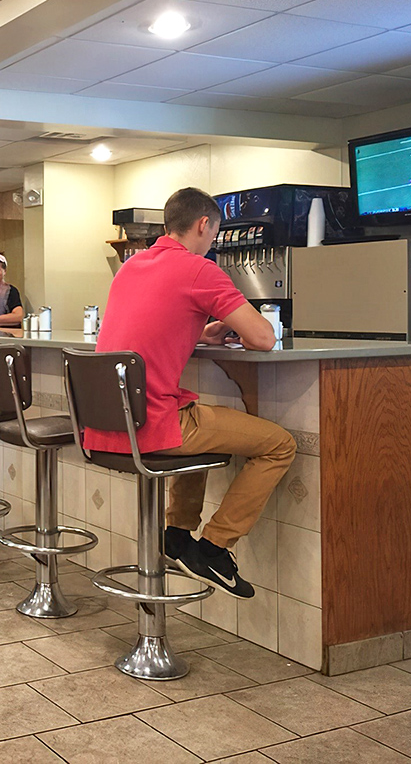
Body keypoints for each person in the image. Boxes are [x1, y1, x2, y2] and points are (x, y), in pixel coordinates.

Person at [85, 187, 297, 598]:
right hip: (151, 427)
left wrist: (205, 331)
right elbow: (263, 338)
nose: (213, 242)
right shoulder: (200, 270)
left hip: (105, 426)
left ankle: (178, 535)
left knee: (194, 409)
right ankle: (215, 547)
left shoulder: (132, 266)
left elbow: (153, 326)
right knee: (281, 445)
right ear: (204, 225)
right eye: (215, 234)